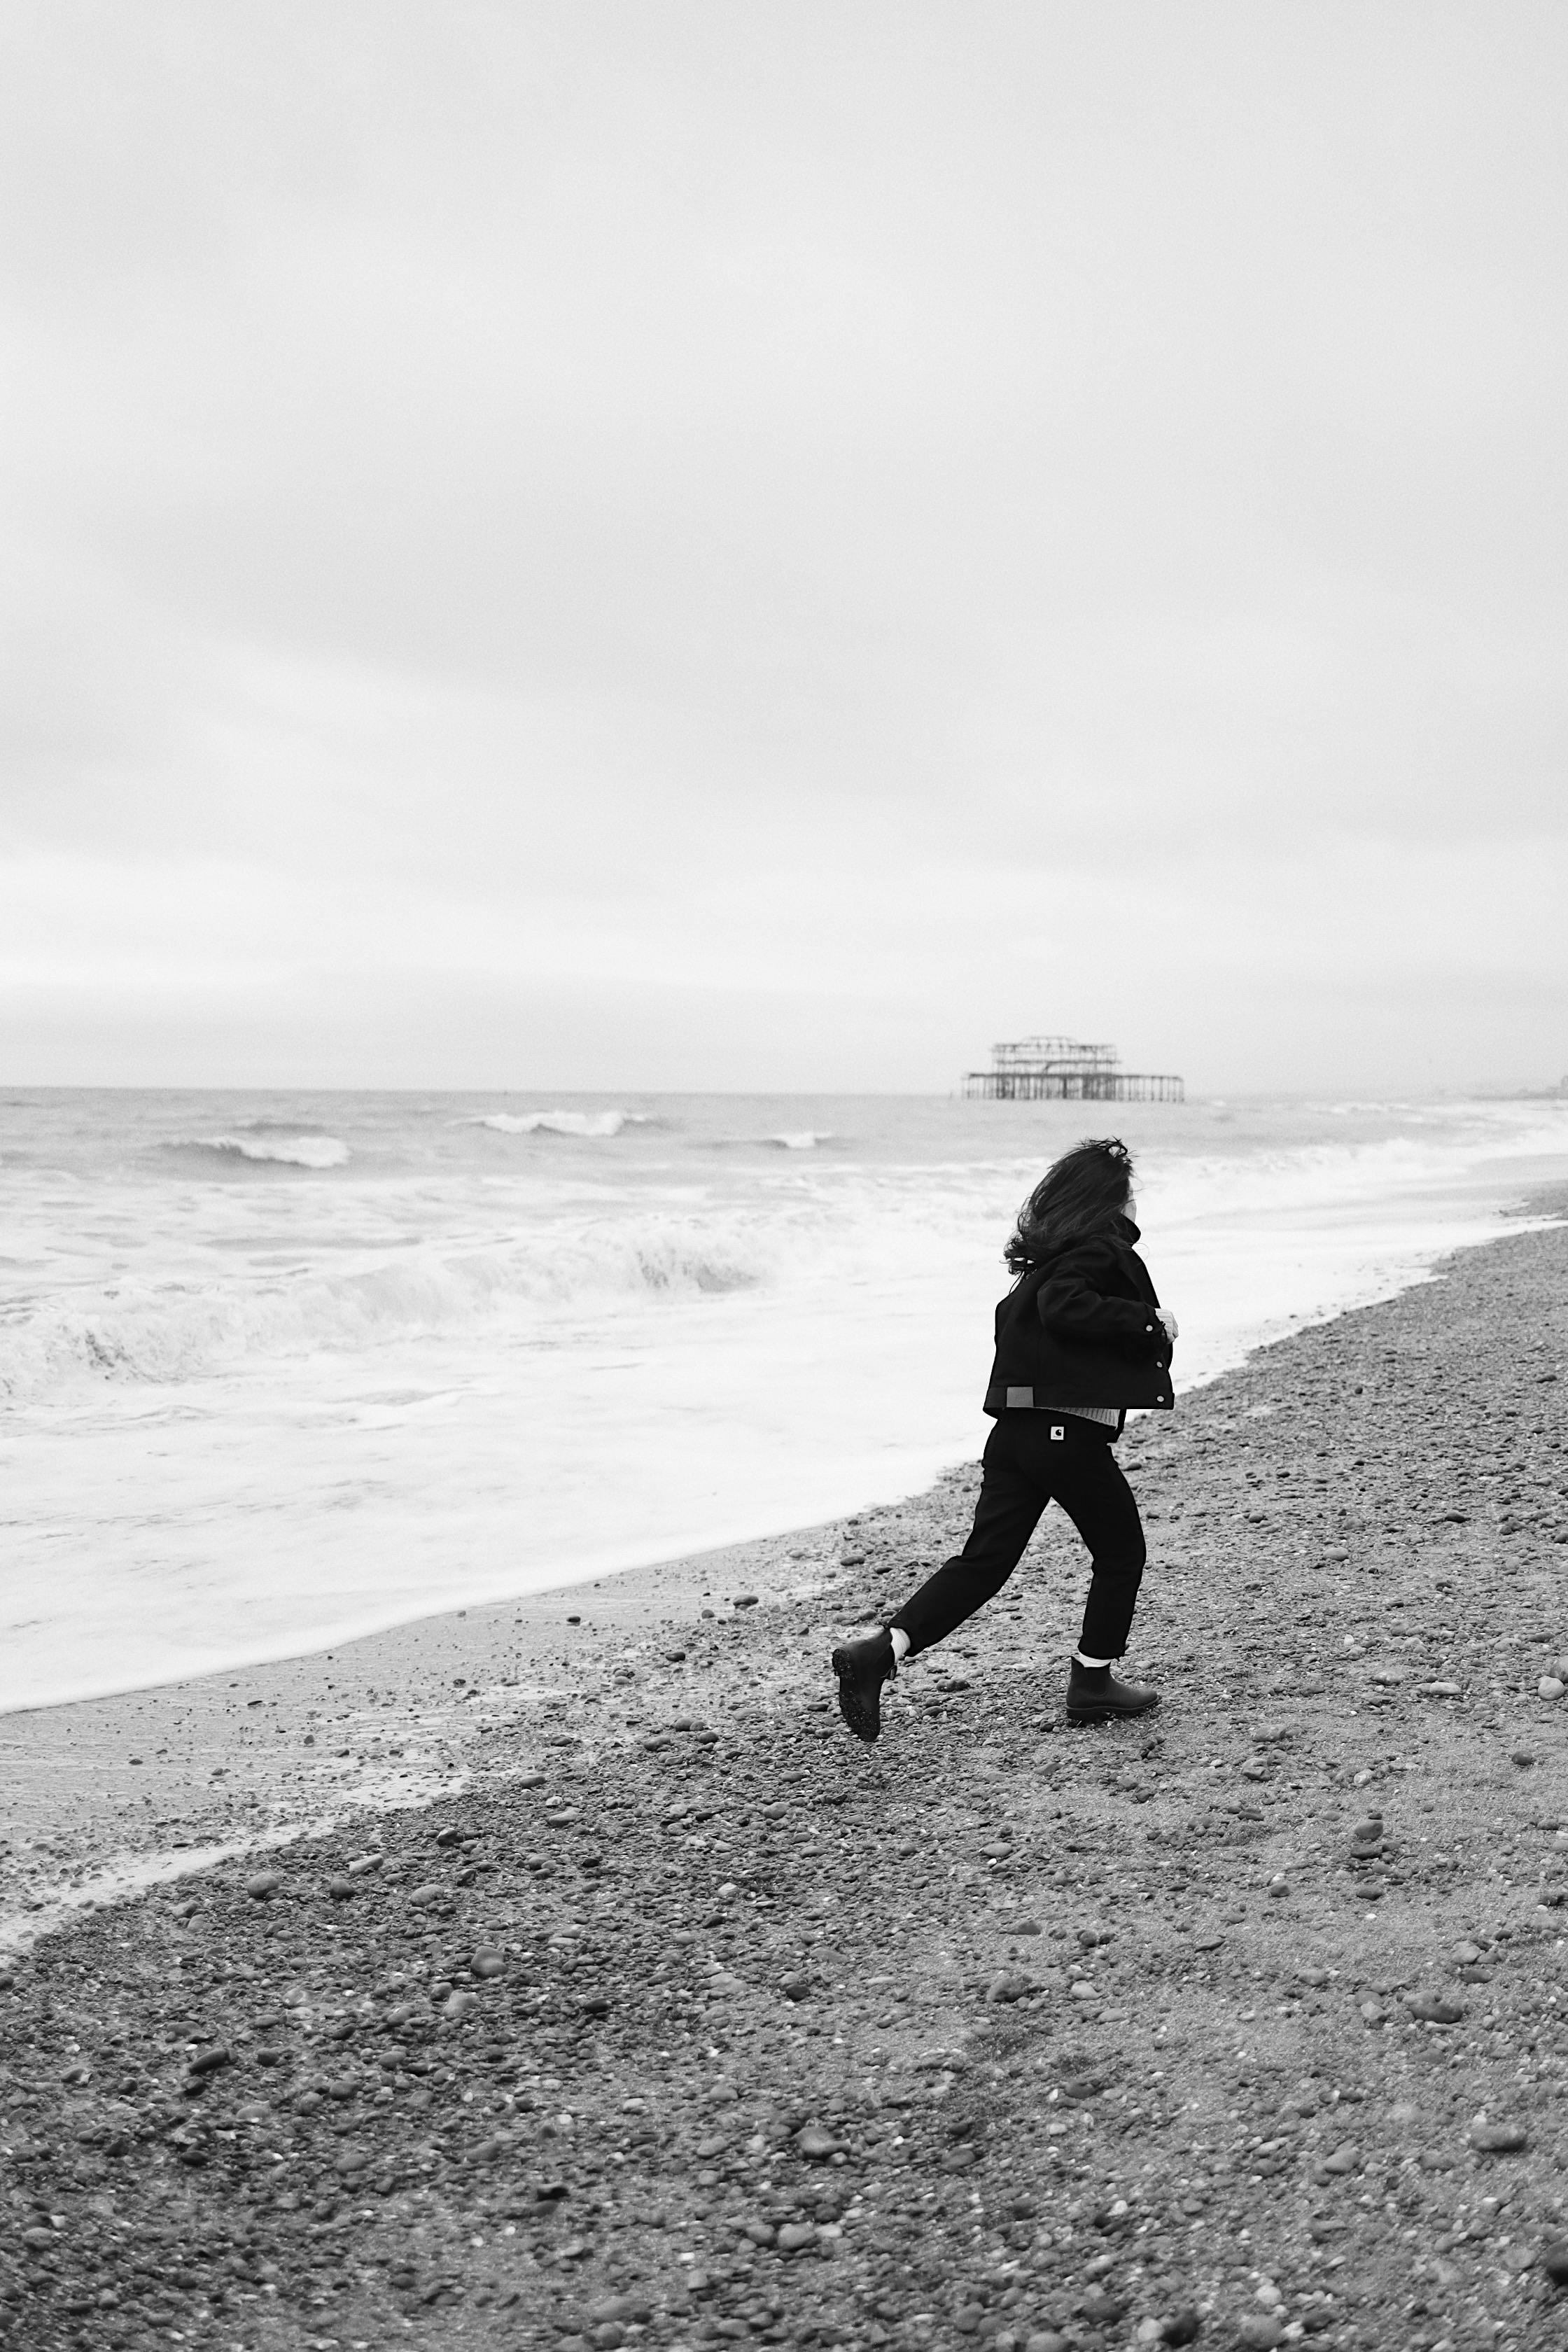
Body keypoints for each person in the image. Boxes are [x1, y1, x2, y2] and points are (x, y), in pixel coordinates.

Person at [831, 1135, 1177, 1740]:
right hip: (1063, 1434)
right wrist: (1149, 1322)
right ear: (1108, 1202)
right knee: (1122, 1553)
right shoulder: (1095, 1251)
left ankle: (882, 1652)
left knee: (984, 1563)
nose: (1134, 1208)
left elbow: (1050, 1316)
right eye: (1129, 1196)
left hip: (1014, 1436)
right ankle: (1093, 1681)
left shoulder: (1042, 1265)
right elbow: (1067, 1307)